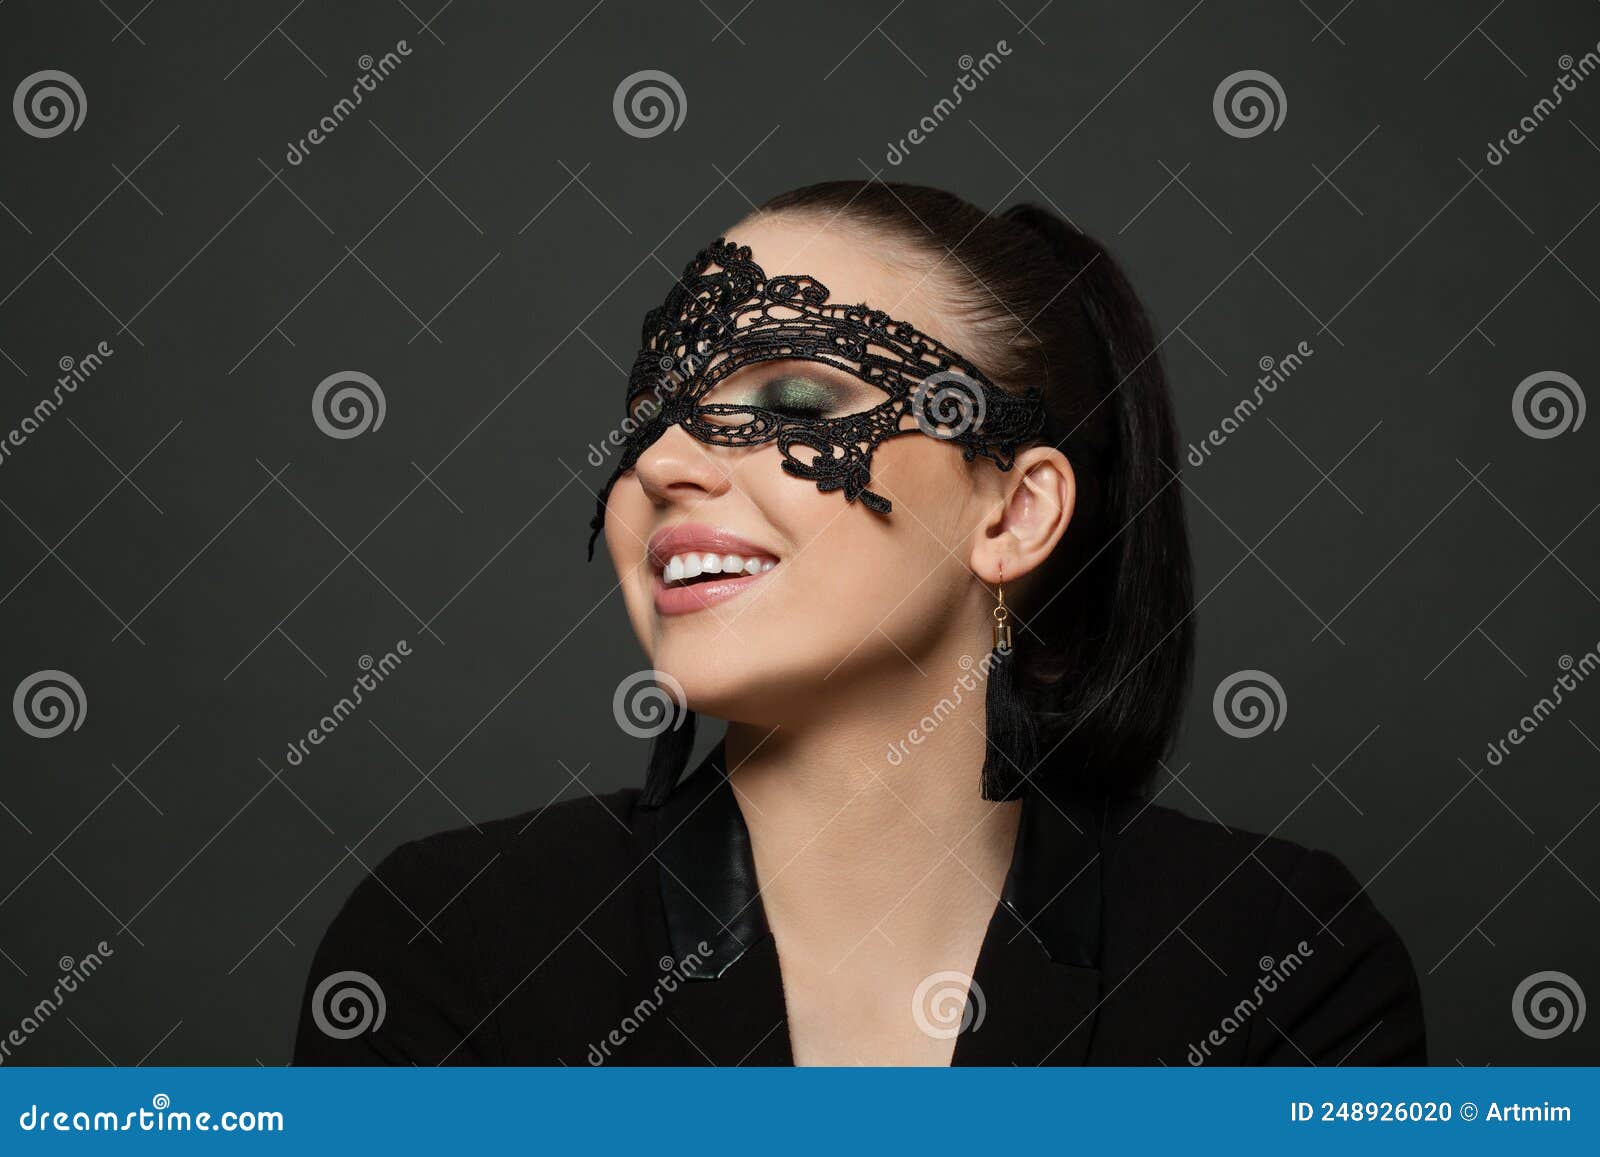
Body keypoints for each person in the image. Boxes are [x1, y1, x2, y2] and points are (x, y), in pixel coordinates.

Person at [293, 181, 1425, 1066]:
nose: (665, 462)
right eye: (652, 410)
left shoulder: (1274, 961)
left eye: (790, 400)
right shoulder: (455, 939)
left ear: (1015, 511)